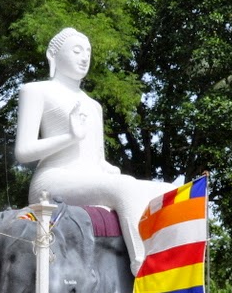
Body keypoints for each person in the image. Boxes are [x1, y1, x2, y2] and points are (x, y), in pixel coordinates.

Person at [15, 28, 176, 275]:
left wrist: (107, 169)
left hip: (89, 178)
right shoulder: (36, 90)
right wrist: (69, 137)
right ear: (53, 55)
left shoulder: (93, 106)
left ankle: (175, 265)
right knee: (126, 187)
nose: (84, 57)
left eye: (88, 52)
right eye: (76, 51)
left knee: (168, 191)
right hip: (53, 180)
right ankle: (142, 267)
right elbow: (23, 152)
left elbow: (97, 160)